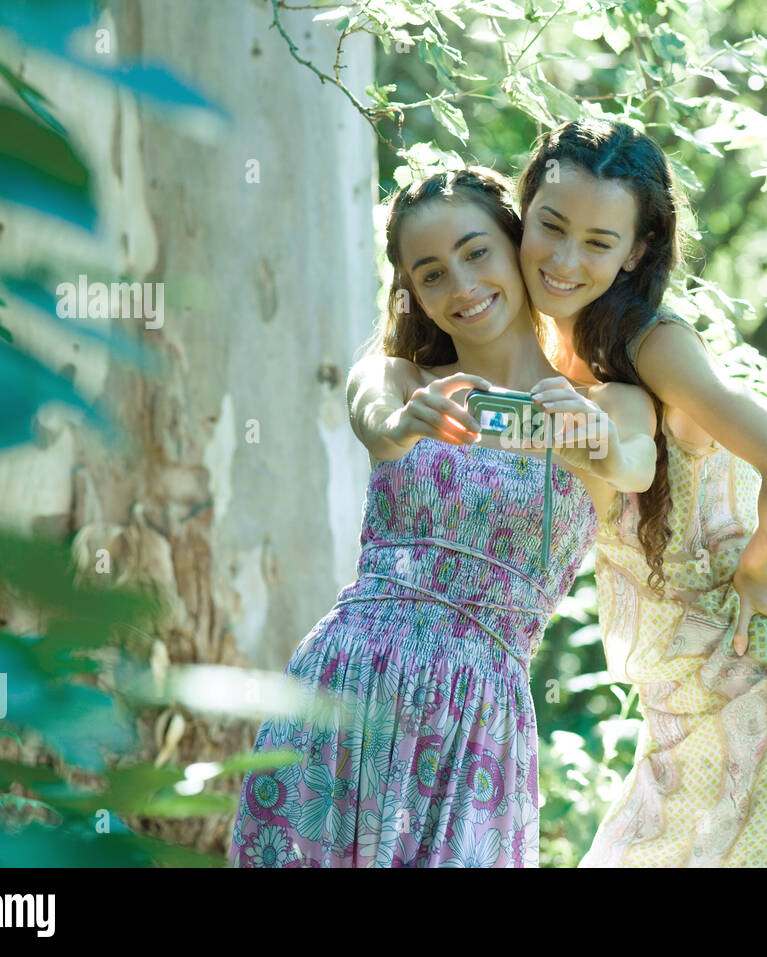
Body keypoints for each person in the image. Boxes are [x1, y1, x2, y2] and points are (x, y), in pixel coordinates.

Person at [228, 166, 655, 868]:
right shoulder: (398, 378)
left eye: (476, 251)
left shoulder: (610, 405)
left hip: (481, 715)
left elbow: (636, 465)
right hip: (347, 682)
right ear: (412, 293)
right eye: (430, 274)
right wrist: (404, 425)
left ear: (517, 247)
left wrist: (596, 440)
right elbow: (375, 422)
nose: (460, 285)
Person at [514, 119, 767, 866]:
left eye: (599, 242)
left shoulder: (651, 345)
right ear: (523, 211)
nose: (564, 259)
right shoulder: (551, 350)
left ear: (636, 252)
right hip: (690, 711)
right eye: (551, 226)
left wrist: (759, 561)